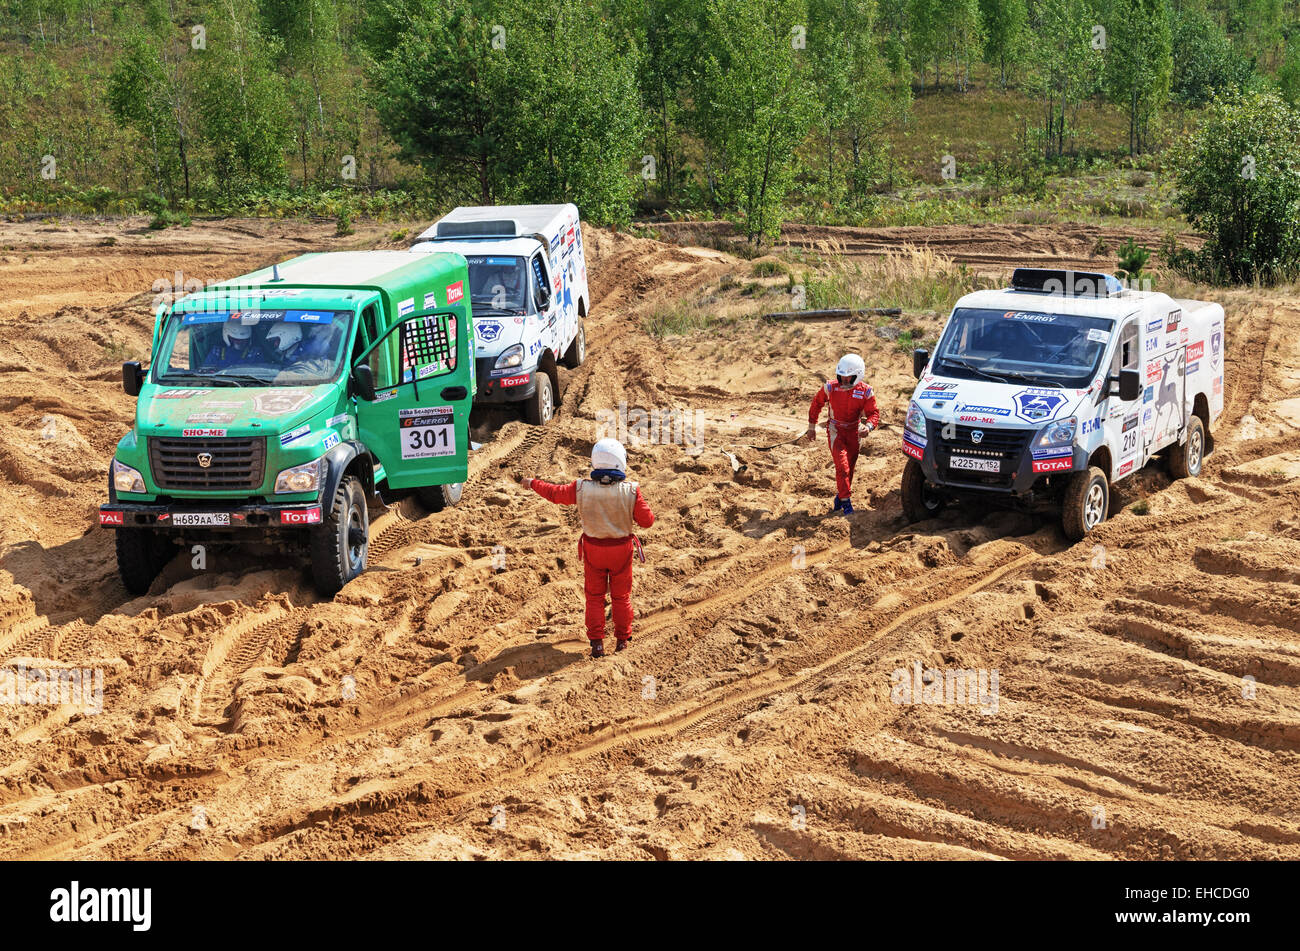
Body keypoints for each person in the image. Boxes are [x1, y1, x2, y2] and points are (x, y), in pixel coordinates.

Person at [518, 438, 655, 658]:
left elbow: (554, 493)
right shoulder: (631, 491)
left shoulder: (581, 488)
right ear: (621, 462)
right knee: (621, 597)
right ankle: (622, 641)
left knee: (594, 598)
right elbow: (647, 521)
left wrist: (533, 483)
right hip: (621, 550)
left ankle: (597, 644)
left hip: (593, 550)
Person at [805, 353, 880, 515]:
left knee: (849, 470)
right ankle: (846, 502)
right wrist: (811, 427)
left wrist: (868, 427)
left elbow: (874, 413)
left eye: (849, 377)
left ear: (858, 375)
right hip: (835, 431)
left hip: (854, 432)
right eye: (842, 376)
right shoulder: (830, 387)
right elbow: (816, 404)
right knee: (842, 466)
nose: (845, 380)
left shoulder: (866, 391)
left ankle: (840, 497)